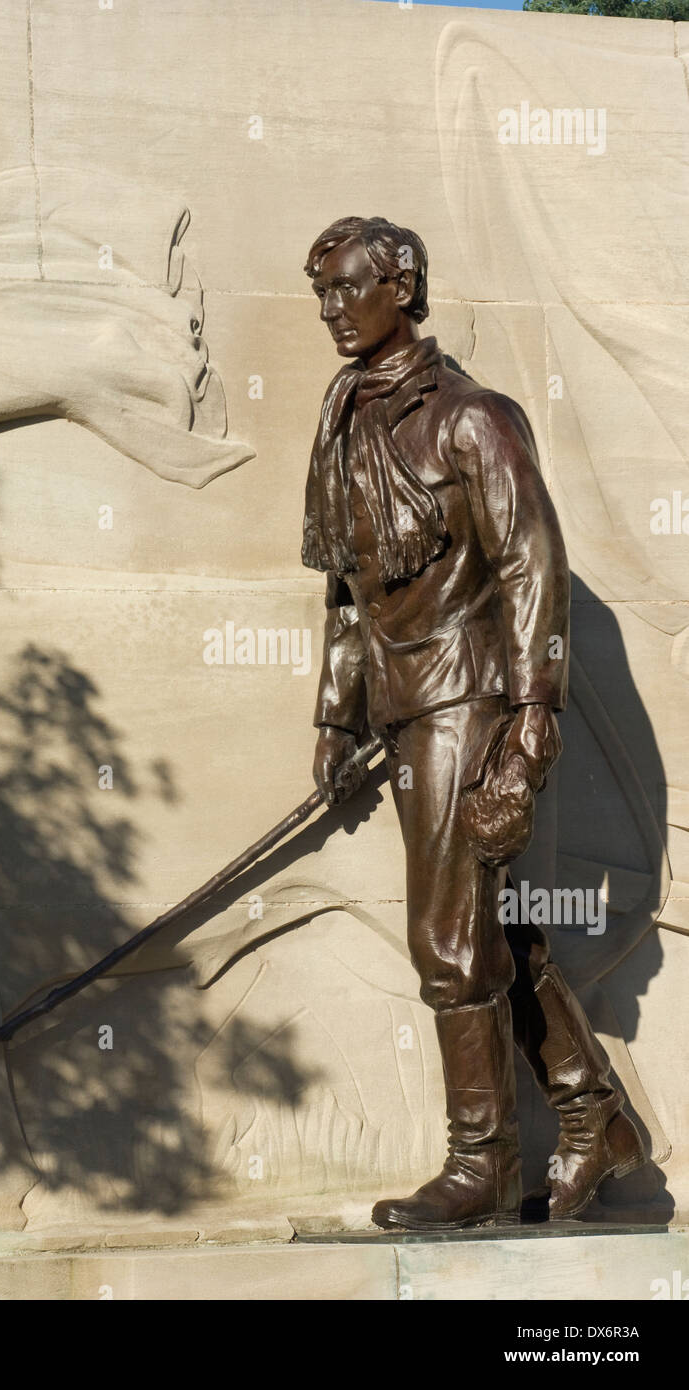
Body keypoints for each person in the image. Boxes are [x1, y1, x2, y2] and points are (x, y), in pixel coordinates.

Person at [302, 216, 644, 1230]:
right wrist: (334, 715)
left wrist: (529, 726)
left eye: (345, 288)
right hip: (404, 705)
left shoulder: (469, 419)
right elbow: (347, 585)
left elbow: (532, 571)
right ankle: (590, 1118)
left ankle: (482, 1162)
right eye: (317, 291)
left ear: (399, 286)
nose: (328, 309)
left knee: (444, 937)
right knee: (481, 928)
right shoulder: (345, 415)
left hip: (469, 695)